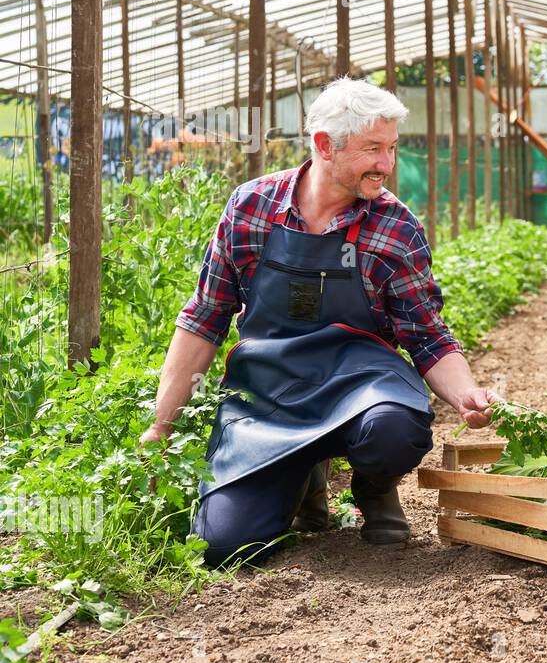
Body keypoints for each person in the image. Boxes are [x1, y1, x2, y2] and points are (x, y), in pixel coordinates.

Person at [141, 77, 500, 567]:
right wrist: (161, 427)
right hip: (269, 396)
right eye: (373, 148)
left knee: (396, 430)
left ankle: (374, 488)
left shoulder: (395, 227)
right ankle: (300, 474)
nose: (387, 164)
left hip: (360, 384)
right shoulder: (251, 209)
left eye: (392, 148)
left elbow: (427, 335)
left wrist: (466, 395)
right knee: (223, 548)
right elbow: (205, 319)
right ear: (325, 145)